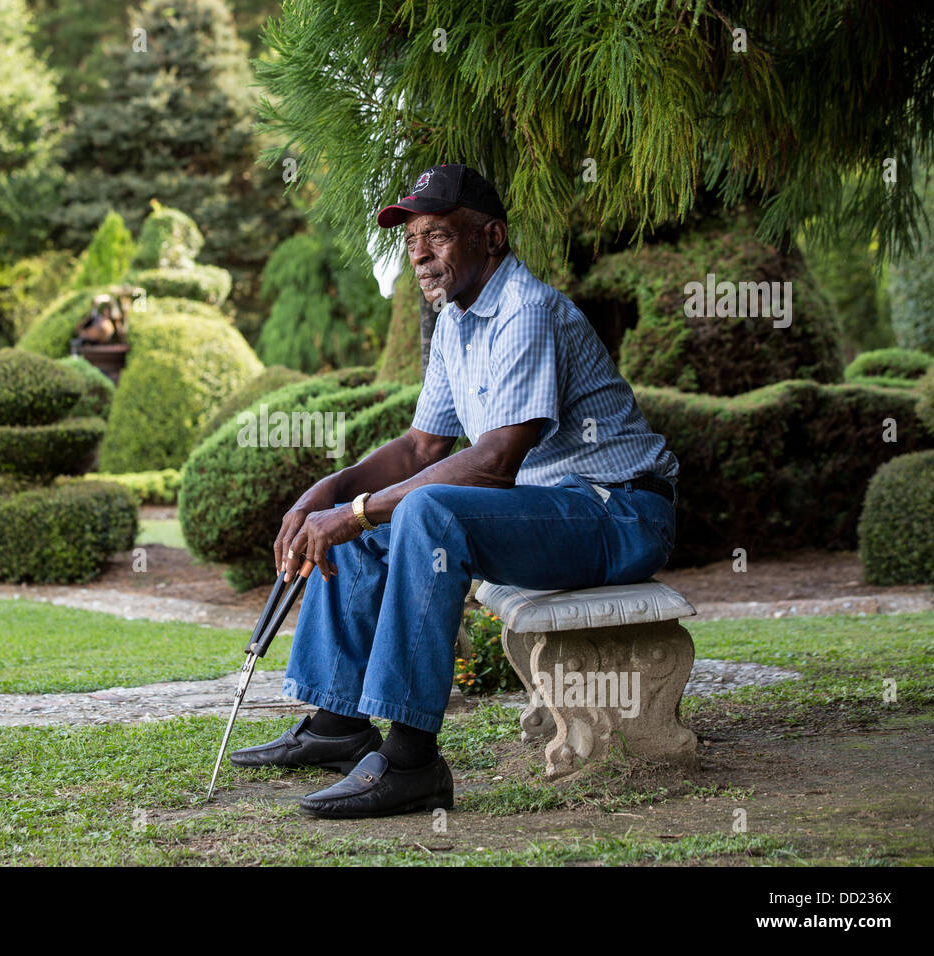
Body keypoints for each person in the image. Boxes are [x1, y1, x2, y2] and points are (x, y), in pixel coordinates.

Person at [230, 163, 680, 819]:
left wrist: (353, 513)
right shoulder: (455, 321)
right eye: (410, 238)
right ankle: (337, 724)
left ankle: (412, 762)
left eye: (437, 234)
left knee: (423, 511)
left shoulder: (526, 311)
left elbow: (495, 462)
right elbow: (420, 447)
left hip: (618, 514)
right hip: (553, 509)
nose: (418, 252)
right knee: (364, 519)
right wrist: (324, 496)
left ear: (490, 237)